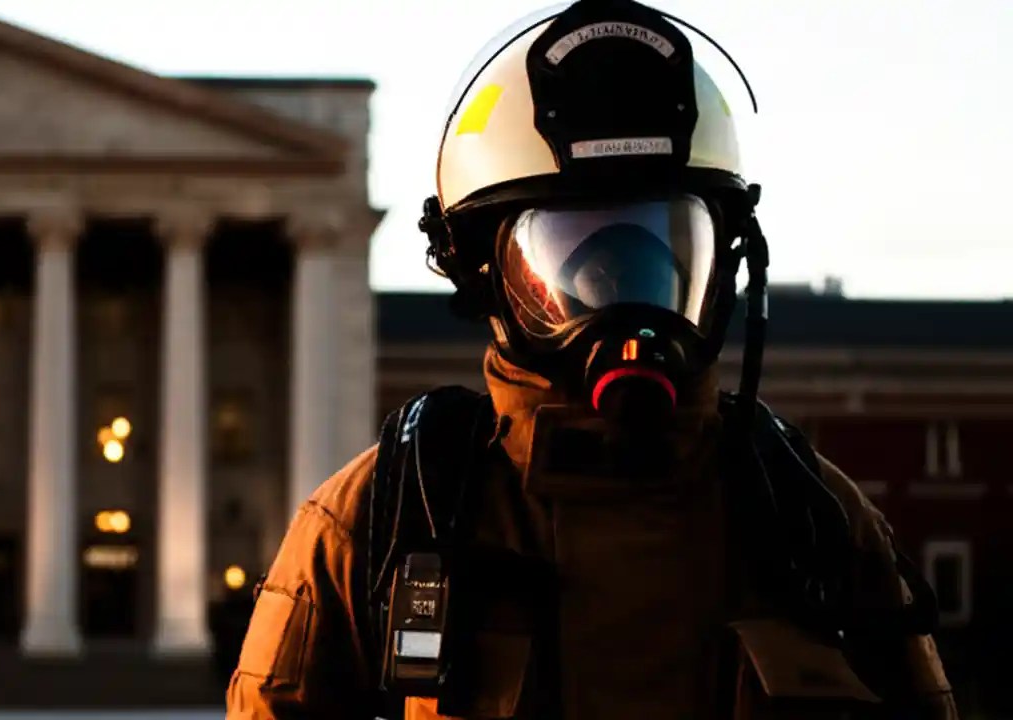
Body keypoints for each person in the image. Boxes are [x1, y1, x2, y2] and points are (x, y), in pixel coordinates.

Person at [226, 1, 957, 717]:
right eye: (575, 262)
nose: (628, 312)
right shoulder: (377, 523)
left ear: (726, 266)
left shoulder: (812, 519)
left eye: (664, 252)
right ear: (489, 278)